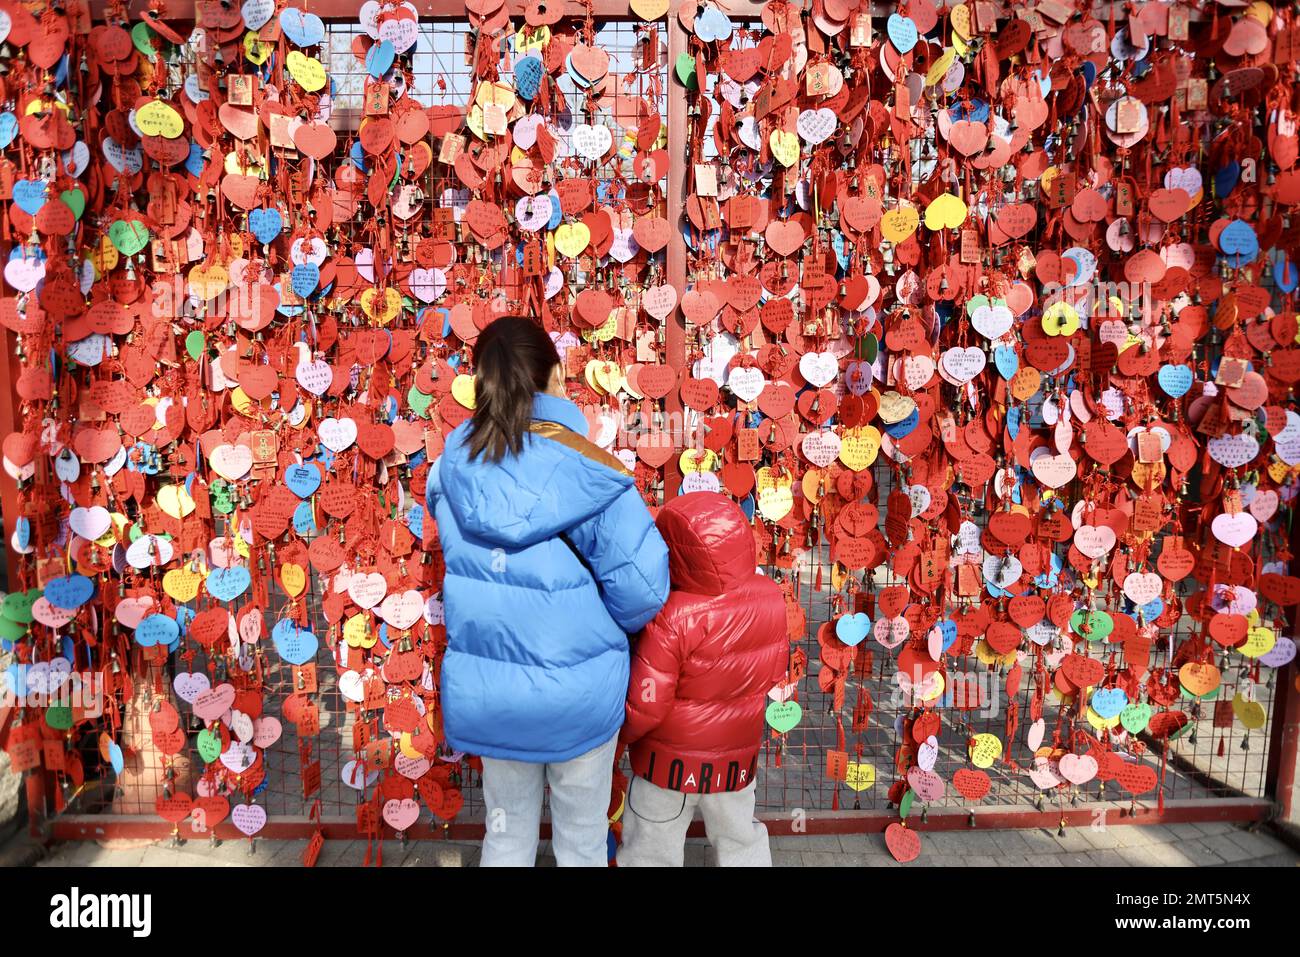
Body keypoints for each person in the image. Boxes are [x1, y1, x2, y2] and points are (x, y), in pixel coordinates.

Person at [425, 316, 669, 866]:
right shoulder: (588, 469)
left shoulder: (448, 470)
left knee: (505, 838)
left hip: (493, 694)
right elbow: (644, 587)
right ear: (556, 376)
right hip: (578, 696)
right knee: (581, 843)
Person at [616, 491, 789, 867]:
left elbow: (646, 704)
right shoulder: (770, 596)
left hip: (666, 763)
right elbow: (775, 671)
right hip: (736, 760)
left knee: (650, 848)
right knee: (741, 840)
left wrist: (619, 739)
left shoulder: (672, 616)